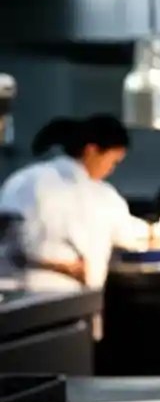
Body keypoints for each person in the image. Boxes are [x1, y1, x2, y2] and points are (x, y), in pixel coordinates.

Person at [0, 115, 146, 290]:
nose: (111, 169)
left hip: (34, 297)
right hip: (38, 292)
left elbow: (129, 234)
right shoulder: (102, 196)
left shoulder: (24, 179)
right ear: (91, 150)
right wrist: (62, 267)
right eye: (113, 161)